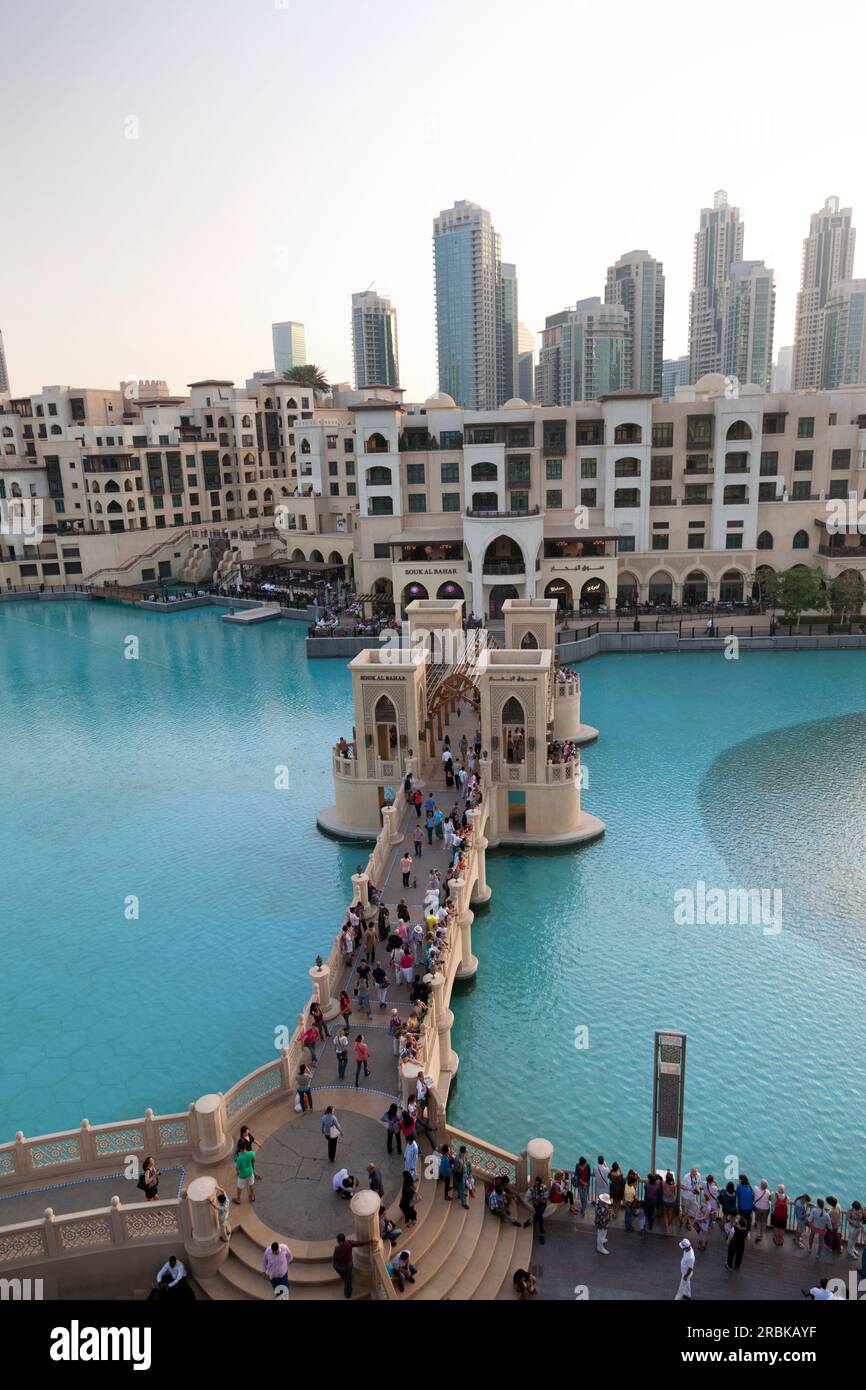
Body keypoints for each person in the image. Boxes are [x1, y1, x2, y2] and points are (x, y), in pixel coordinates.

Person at [332, 1232, 372, 1299]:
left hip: (341, 1266)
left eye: (337, 1240)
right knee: (348, 1279)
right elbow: (359, 1243)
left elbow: (335, 1258)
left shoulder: (337, 1249)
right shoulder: (349, 1243)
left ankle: (347, 1294)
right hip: (348, 1265)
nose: (337, 1242)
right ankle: (347, 1293)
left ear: (340, 1242)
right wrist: (370, 1240)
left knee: (334, 1266)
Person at [529, 1176, 550, 1245]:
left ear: (540, 1184)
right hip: (536, 1204)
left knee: (540, 1212)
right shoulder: (533, 1188)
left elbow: (545, 1200)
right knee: (540, 1214)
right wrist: (536, 1200)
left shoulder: (544, 1188)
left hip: (542, 1204)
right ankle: (542, 1233)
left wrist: (538, 1200)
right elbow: (533, 1198)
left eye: (537, 1184)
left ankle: (531, 1220)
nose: (536, 1185)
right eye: (535, 1183)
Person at [753, 1178, 771, 1243]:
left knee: (758, 1221)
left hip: (758, 1208)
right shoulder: (768, 1192)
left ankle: (758, 1234)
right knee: (763, 1222)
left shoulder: (756, 1189)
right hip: (766, 1209)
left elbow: (755, 1187)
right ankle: (761, 1235)